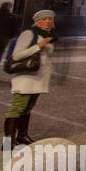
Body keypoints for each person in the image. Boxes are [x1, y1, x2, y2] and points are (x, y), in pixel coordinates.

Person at [5, 9, 56, 146]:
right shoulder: (29, 34)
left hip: (39, 78)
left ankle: (22, 136)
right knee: (18, 107)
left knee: (28, 108)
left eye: (50, 19)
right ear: (37, 21)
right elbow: (17, 55)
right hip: (25, 77)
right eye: (45, 19)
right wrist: (38, 46)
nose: (48, 21)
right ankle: (8, 142)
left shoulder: (49, 35)